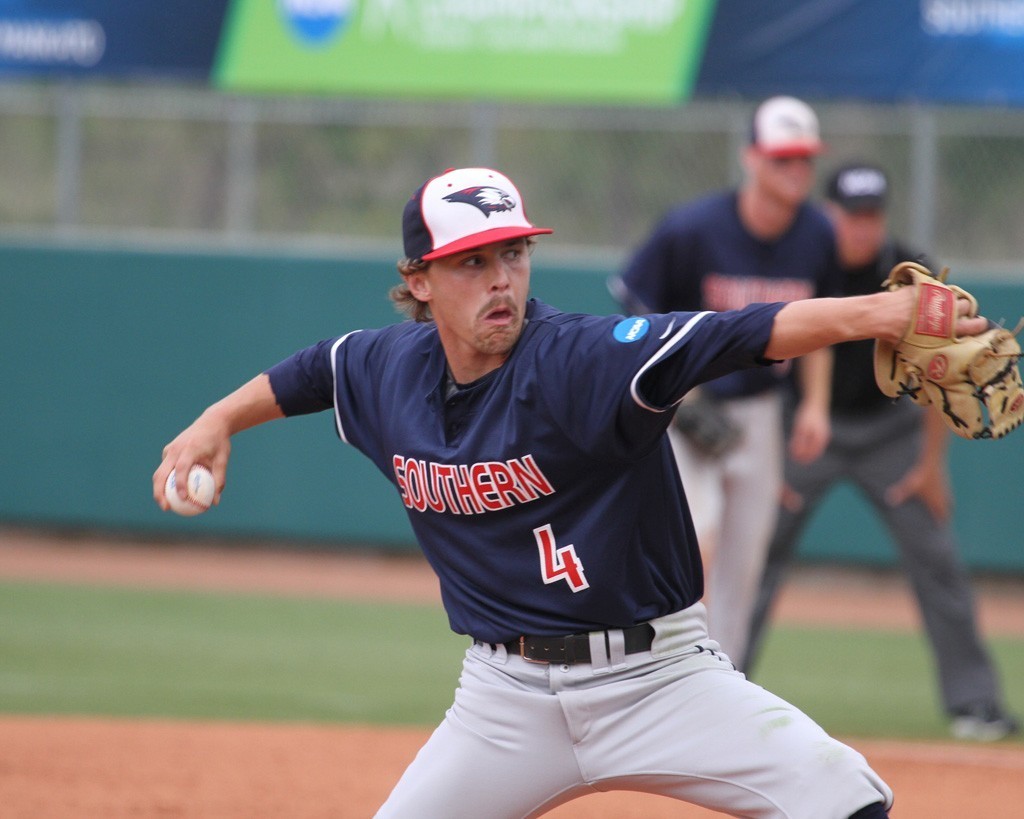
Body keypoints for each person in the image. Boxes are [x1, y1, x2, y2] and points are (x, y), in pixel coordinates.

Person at [154, 165, 989, 818]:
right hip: (503, 700)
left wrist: (882, 314)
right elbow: (307, 374)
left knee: (843, 797)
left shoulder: (579, 359)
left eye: (512, 254)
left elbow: (741, 333)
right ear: (418, 281)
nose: (500, 281)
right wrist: (214, 422)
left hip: (659, 677)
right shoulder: (385, 370)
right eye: (470, 263)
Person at [742, 161, 1019, 742]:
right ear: (830, 213)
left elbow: (943, 377)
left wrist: (929, 465)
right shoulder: (805, 259)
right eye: (851, 215)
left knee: (936, 556)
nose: (861, 227)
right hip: (805, 429)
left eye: (871, 215)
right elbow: (787, 347)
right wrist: (780, 445)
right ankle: (720, 689)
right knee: (755, 553)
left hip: (888, 434)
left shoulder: (909, 272)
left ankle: (976, 703)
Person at [610, 96, 839, 664]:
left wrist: (814, 404)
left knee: (744, 562)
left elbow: (822, 323)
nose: (795, 171)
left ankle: (726, 680)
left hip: (759, 414)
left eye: (804, 159)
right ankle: (657, 673)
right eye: (782, 157)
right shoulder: (692, 229)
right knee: (692, 543)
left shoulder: (818, 234)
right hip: (686, 410)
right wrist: (671, 394)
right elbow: (631, 318)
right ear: (751, 158)